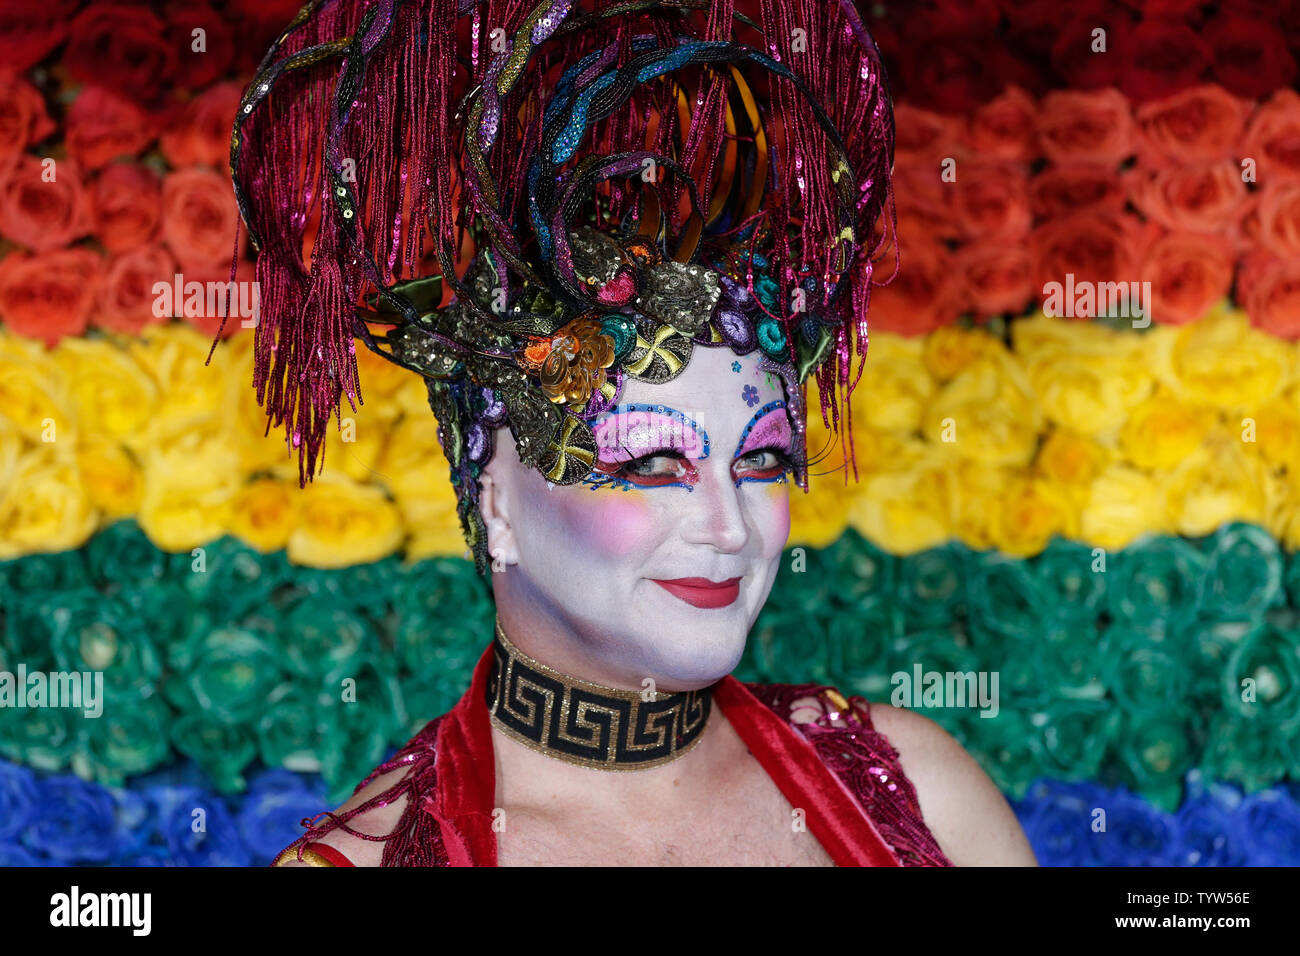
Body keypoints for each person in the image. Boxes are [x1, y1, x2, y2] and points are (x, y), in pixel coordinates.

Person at [224, 0, 1037, 867]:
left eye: (760, 458)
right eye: (652, 462)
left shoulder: (913, 789)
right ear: (494, 503)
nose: (729, 528)